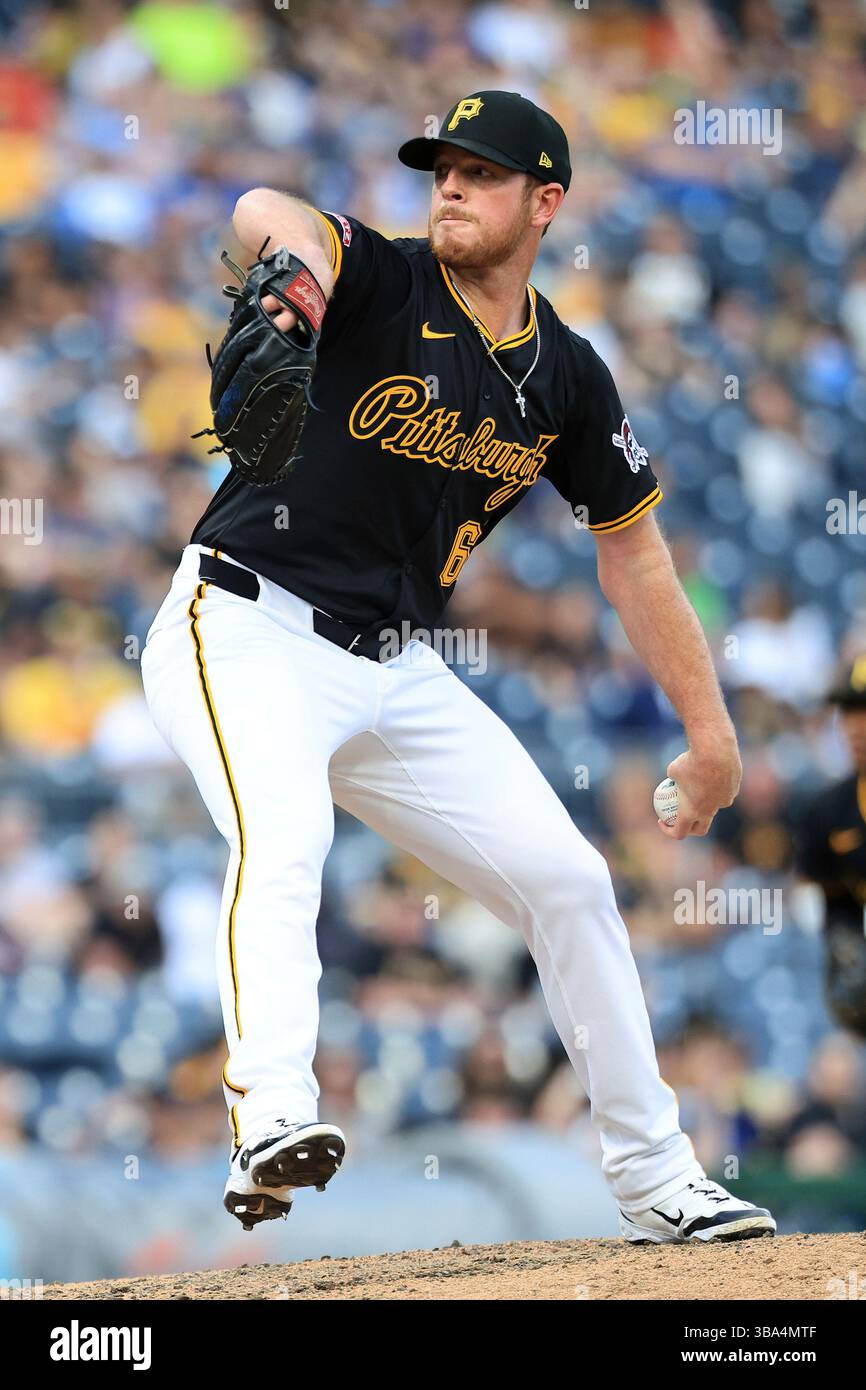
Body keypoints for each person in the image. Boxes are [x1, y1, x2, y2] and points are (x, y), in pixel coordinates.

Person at [140, 90, 775, 1242]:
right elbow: (264, 205)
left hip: (393, 669)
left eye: (478, 172)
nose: (448, 185)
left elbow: (632, 555)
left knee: (573, 883)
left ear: (544, 203)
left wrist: (711, 731)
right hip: (243, 623)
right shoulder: (379, 279)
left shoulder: (567, 377)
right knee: (283, 841)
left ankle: (654, 1174)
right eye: (440, 166)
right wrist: (296, 267)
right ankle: (270, 1117)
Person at [795, 657, 866, 1039]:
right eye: (849, 712)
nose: (855, 726)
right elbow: (830, 901)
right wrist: (847, 942)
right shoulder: (828, 812)